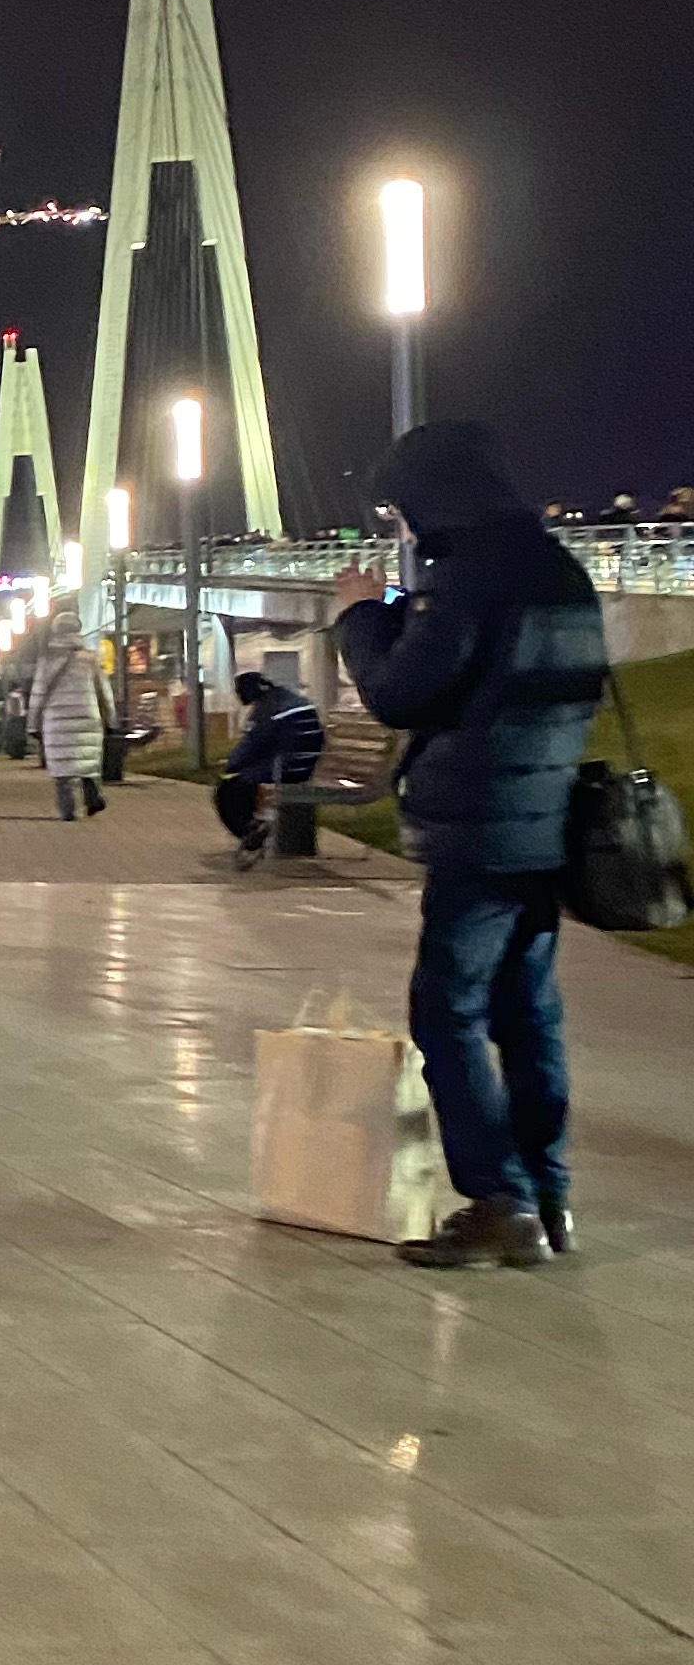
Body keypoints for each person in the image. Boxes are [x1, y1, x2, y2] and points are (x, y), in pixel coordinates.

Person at [335, 420, 606, 1270]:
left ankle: (498, 1198)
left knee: (446, 1010)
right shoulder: (561, 570)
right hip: (543, 823)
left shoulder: (467, 582)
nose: (408, 527)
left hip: (481, 830)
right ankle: (548, 1195)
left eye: (406, 507)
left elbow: (401, 694)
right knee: (528, 1016)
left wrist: (358, 616)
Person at [214, 666, 324, 861]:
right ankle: (256, 827)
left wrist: (230, 767)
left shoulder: (268, 709)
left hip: (286, 768)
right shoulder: (290, 699)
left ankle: (249, 831)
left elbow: (253, 744)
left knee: (229, 787)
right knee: (243, 780)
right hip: (306, 765)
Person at [25, 609, 110, 825]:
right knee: (87, 763)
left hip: (57, 720)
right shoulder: (90, 658)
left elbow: (39, 693)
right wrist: (111, 716)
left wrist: (33, 723)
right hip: (87, 716)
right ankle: (93, 797)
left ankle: (67, 809)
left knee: (62, 770)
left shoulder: (47, 659)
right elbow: (104, 691)